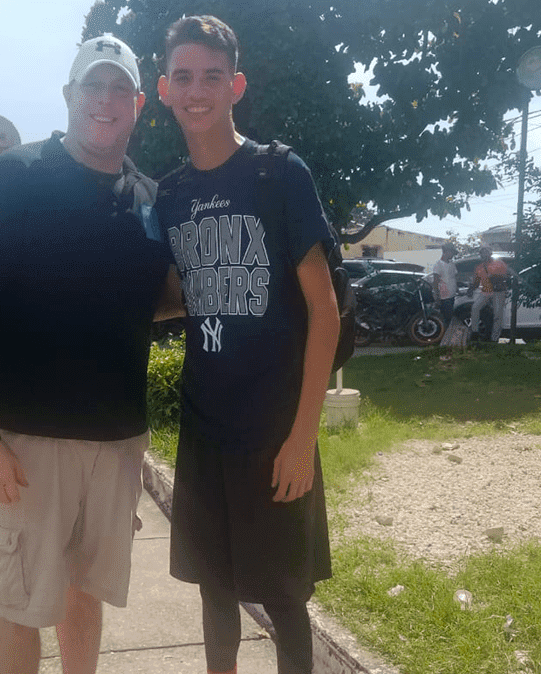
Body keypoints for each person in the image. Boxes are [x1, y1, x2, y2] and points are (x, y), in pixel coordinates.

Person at [0, 35, 172, 674]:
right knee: (18, 601)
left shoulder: (152, 200)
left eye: (118, 89)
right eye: (91, 87)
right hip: (24, 442)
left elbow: (162, 296)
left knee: (84, 589)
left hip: (116, 440)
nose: (105, 100)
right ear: (69, 95)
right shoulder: (12, 177)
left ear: (138, 103)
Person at [155, 16, 339, 674]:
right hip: (205, 427)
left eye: (211, 76)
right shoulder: (170, 194)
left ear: (234, 85)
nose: (196, 89)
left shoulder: (277, 173)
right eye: (183, 76)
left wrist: (301, 438)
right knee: (213, 587)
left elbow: (324, 311)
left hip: (274, 426)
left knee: (284, 594)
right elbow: (173, 294)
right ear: (164, 89)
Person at [469, 245, 511, 342]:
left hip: (498, 292)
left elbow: (507, 277)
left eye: (486, 252)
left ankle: (494, 338)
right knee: (475, 308)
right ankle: (475, 332)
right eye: (482, 253)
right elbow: (475, 282)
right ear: (480, 255)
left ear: (490, 253)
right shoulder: (479, 267)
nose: (484, 254)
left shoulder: (499, 263)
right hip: (486, 291)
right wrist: (470, 289)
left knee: (497, 315)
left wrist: (495, 276)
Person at [432, 242, 458, 325]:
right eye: (452, 253)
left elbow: (454, 278)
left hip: (452, 295)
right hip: (444, 297)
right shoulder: (438, 265)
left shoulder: (452, 264)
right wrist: (437, 296)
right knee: (446, 318)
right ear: (446, 251)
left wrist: (457, 290)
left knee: (450, 316)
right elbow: (435, 282)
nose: (453, 255)